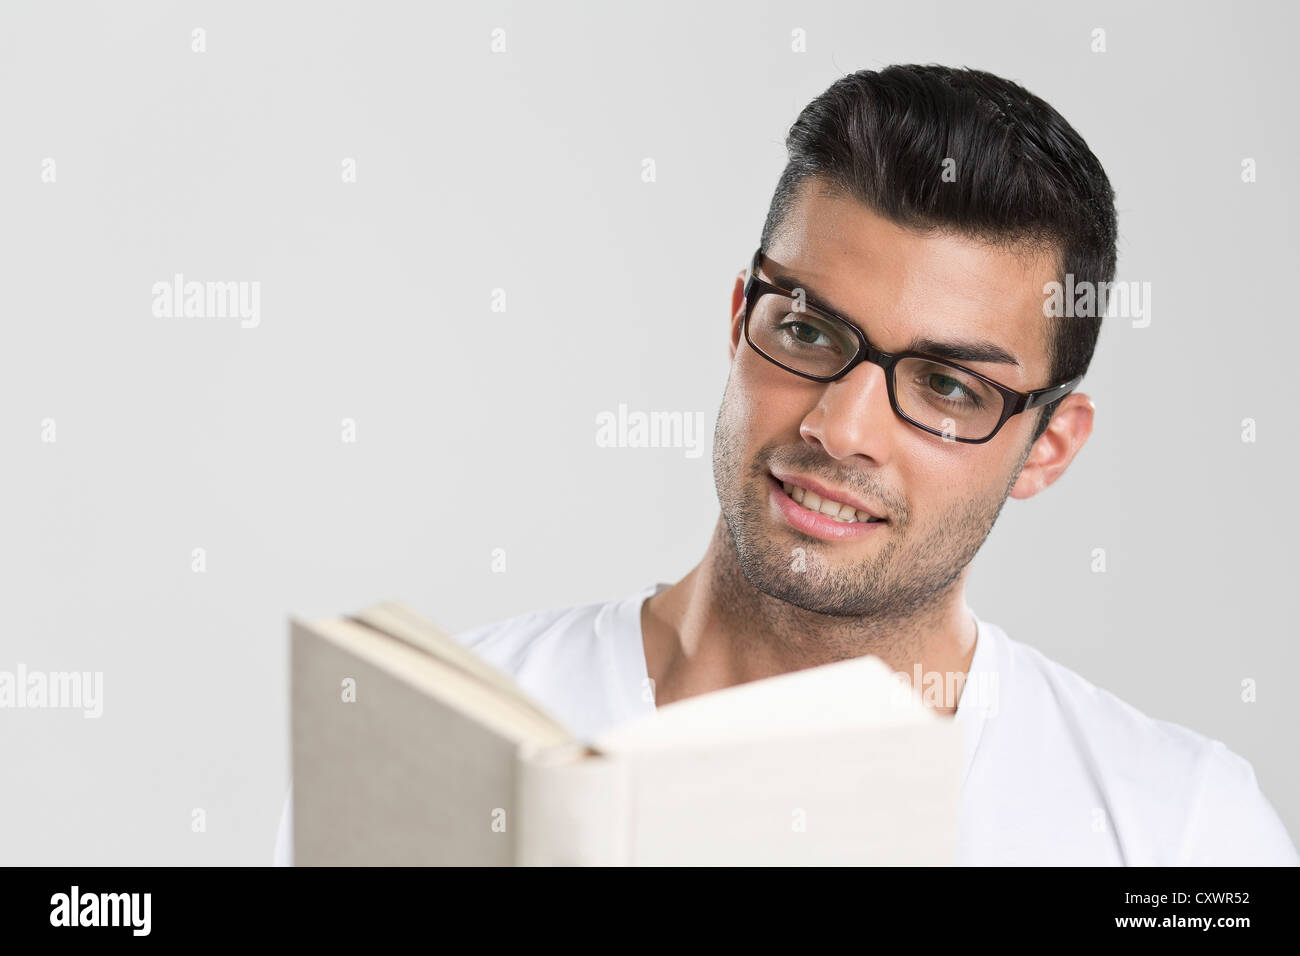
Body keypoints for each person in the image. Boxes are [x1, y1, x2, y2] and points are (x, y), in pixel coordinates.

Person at [275, 64, 1298, 866]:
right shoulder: (455, 732)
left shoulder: (1177, 828)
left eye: (947, 386)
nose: (841, 426)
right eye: (807, 329)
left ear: (1047, 447)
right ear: (738, 319)